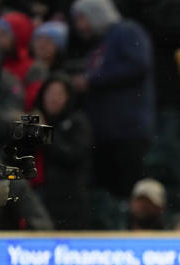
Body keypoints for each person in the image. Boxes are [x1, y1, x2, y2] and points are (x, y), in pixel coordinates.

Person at [70, 0, 155, 224]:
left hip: (128, 130)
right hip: (106, 133)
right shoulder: (101, 42)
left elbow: (138, 64)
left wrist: (91, 80)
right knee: (109, 196)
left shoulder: (126, 31)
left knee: (129, 193)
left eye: (82, 18)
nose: (79, 26)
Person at [32, 72, 94, 230]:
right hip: (38, 198)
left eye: (60, 93)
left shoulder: (78, 122)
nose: (54, 98)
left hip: (70, 204)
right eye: (50, 92)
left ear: (68, 97)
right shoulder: (34, 122)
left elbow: (71, 155)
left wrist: (44, 132)